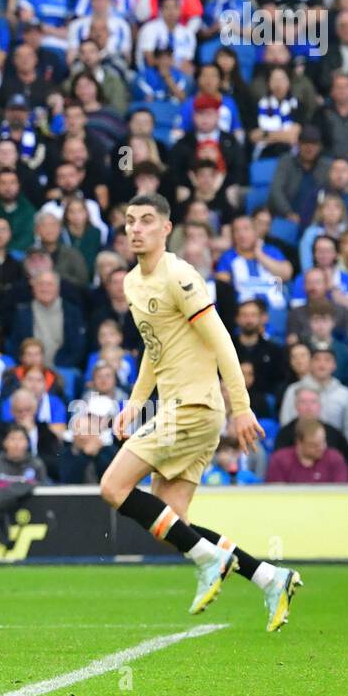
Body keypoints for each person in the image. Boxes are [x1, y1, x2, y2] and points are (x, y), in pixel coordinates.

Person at [99, 192, 302, 632]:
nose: (136, 228)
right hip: (177, 407)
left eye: (147, 220)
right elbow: (155, 348)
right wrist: (135, 402)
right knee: (176, 523)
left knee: (114, 487)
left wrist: (242, 407)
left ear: (166, 228)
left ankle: (209, 561)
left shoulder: (180, 276)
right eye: (130, 220)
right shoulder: (132, 282)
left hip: (194, 406)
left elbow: (222, 340)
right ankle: (270, 577)